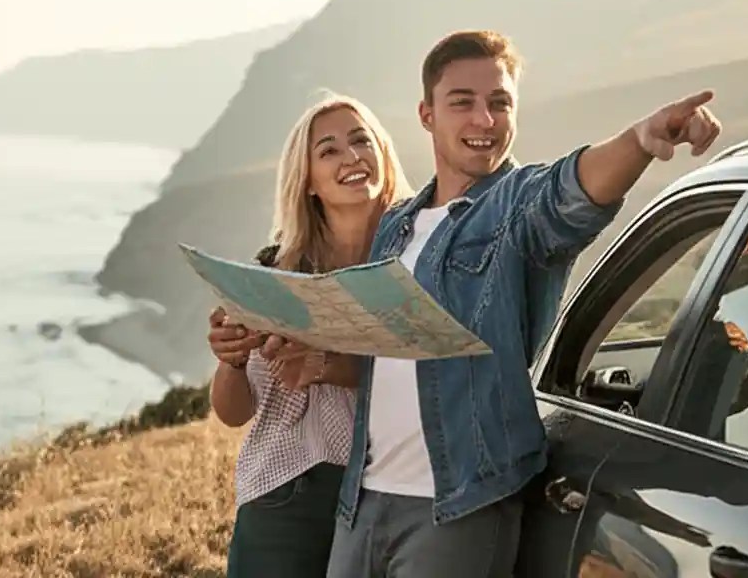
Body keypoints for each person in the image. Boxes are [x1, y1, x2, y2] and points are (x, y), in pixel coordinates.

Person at [263, 30, 721, 577]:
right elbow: (388, 359)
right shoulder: (395, 226)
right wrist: (315, 362)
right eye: (463, 103)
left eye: (500, 102)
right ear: (427, 114)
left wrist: (642, 139)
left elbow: (568, 192)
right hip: (362, 501)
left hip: (459, 505)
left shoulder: (514, 207)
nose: (485, 120)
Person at [205, 91, 414, 578]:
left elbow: (433, 371)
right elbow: (234, 414)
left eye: (361, 141)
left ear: (383, 152)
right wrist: (231, 361)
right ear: (310, 182)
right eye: (329, 150)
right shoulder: (275, 271)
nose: (351, 157)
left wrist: (326, 364)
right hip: (287, 488)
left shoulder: (419, 260)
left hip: (391, 490)